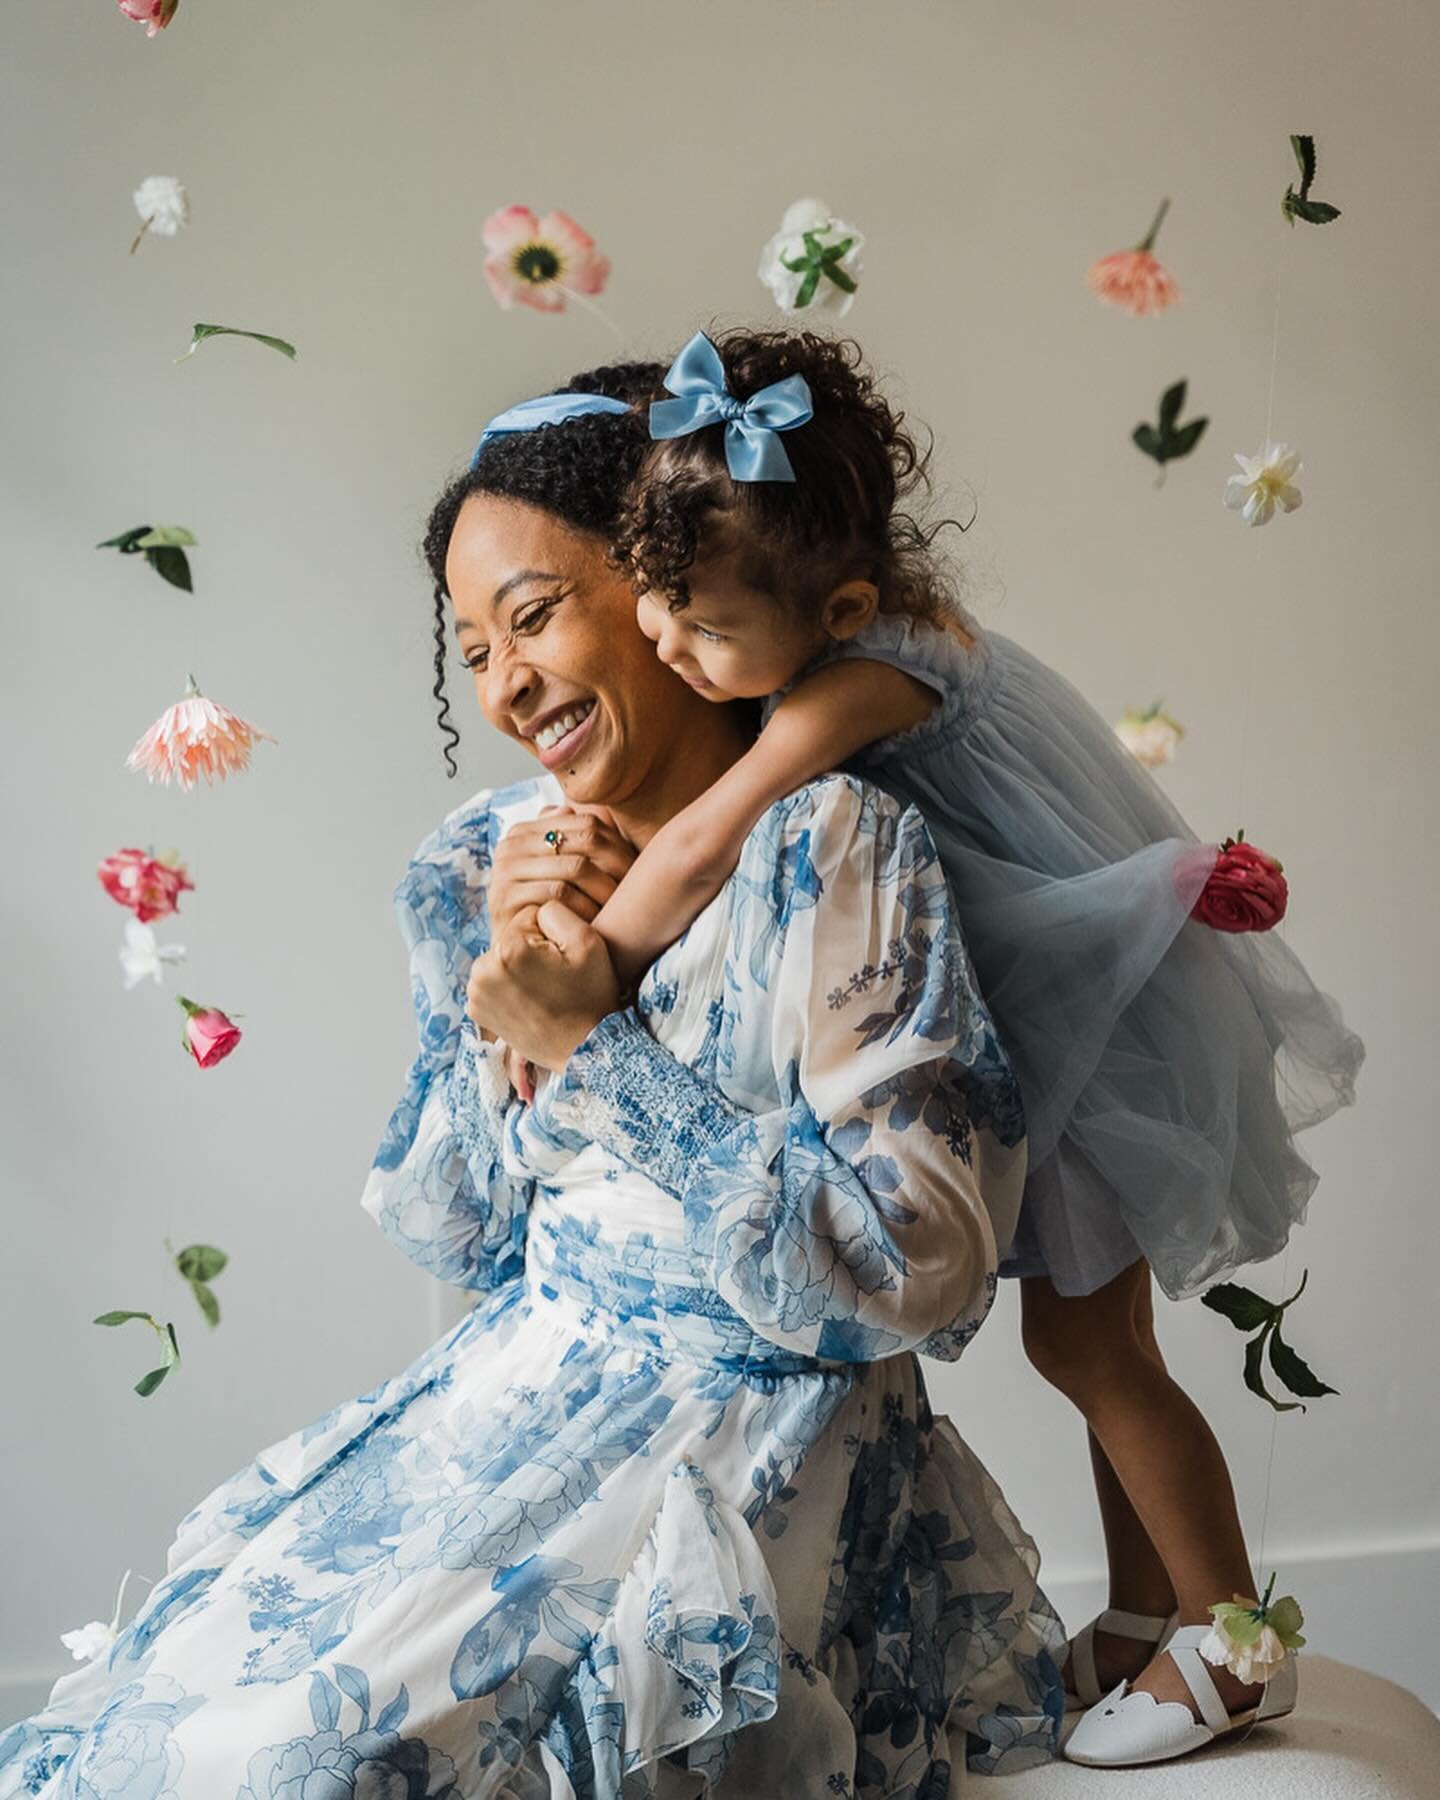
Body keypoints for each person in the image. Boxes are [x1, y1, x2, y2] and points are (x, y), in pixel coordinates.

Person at [0, 360, 1066, 1799]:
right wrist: (497, 977)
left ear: (665, 583)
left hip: (741, 1460)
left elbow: (915, 1265)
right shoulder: (483, 853)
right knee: (150, 1742)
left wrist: (598, 1053)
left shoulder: (834, 849)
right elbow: (460, 1235)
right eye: (471, 645)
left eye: (533, 614)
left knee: (311, 1777)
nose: (502, 682)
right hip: (513, 1406)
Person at [537, 327, 1366, 1768]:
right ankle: (1148, 1611)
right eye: (655, 609)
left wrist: (589, 972)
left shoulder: (861, 681)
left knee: (1093, 1350)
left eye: (701, 626)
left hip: (1081, 1036)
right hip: (1051, 1025)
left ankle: (1234, 1640)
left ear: (840, 601)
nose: (669, 644)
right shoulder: (866, 626)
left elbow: (705, 835)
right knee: (1101, 1336)